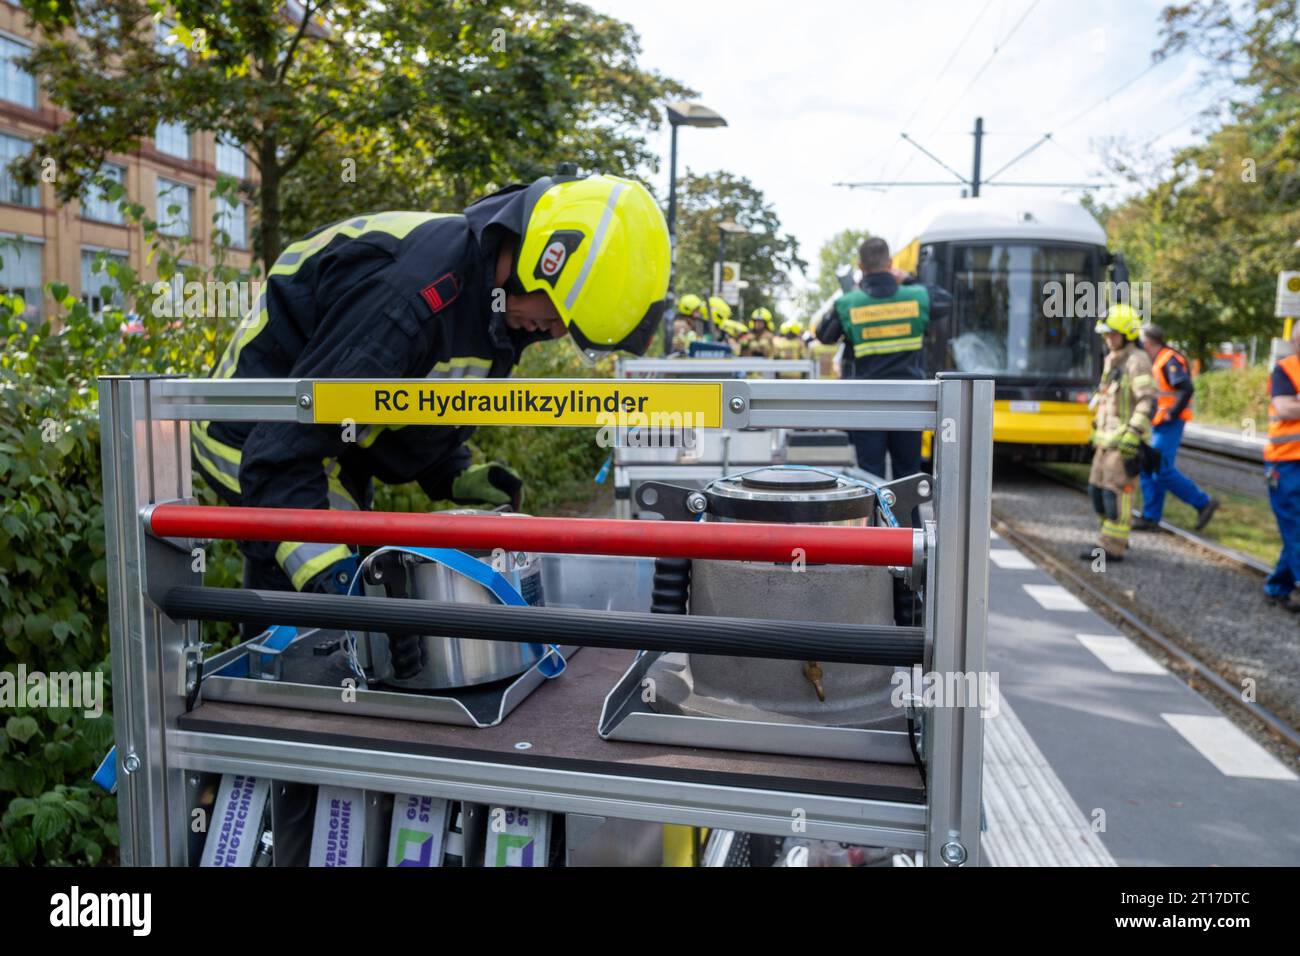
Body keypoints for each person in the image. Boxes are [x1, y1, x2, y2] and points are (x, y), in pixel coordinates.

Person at [193, 171, 670, 599]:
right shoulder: (407, 299)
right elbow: (282, 455)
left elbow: (404, 397)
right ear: (541, 261)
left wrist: (452, 471)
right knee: (314, 605)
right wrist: (336, 583)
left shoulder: (501, 306)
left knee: (358, 592)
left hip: (325, 442)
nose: (557, 332)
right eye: (559, 315)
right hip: (253, 438)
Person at [815, 236, 952, 483]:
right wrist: (908, 278)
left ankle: (875, 521)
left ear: (860, 266)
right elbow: (945, 300)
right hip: (910, 400)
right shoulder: (917, 296)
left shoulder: (848, 303)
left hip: (867, 401)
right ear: (890, 263)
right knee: (908, 475)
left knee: (870, 475)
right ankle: (907, 522)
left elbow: (824, 336)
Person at [1081, 303, 1157, 563]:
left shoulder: (1137, 361)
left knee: (1116, 495)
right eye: (1105, 334)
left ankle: (1112, 547)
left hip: (1123, 442)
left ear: (1126, 334)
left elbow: (1147, 400)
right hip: (1105, 440)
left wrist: (1133, 433)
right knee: (1096, 492)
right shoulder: (1112, 359)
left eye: (1111, 333)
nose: (1107, 338)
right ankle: (1109, 538)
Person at [1133, 324, 1219, 531]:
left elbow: (1186, 388)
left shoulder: (1168, 359)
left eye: (1141, 341)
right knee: (1148, 467)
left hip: (1169, 422)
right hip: (1159, 422)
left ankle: (1203, 503)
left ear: (1149, 342)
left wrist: (1172, 413)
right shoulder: (1156, 360)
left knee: (1161, 469)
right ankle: (1150, 516)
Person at [1263, 322, 1300, 611]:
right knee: (1294, 526)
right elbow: (1286, 408)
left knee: (1295, 527)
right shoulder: (1285, 369)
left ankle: (1278, 585)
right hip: (1285, 462)